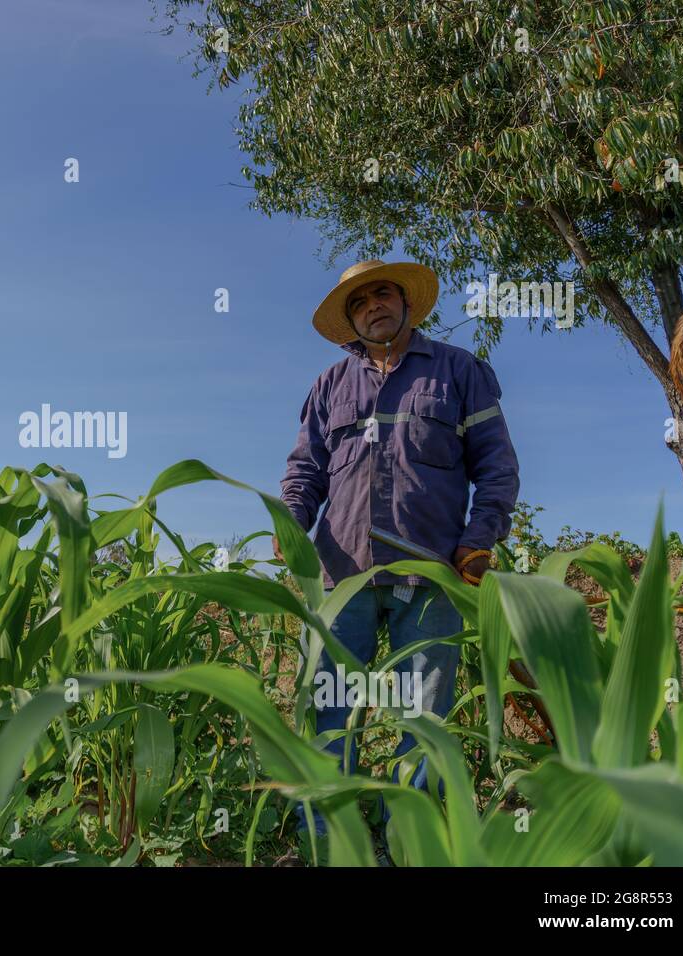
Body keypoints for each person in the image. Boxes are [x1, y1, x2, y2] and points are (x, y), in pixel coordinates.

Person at [278, 259, 520, 839]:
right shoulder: (328, 387)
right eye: (359, 303)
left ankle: (408, 846)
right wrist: (290, 525)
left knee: (425, 722)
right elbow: (304, 472)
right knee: (329, 717)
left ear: (407, 303)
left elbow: (498, 468)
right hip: (343, 579)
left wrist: (478, 541)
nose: (373, 306)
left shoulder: (459, 373)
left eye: (383, 294)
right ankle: (329, 845)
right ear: (350, 320)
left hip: (432, 577)